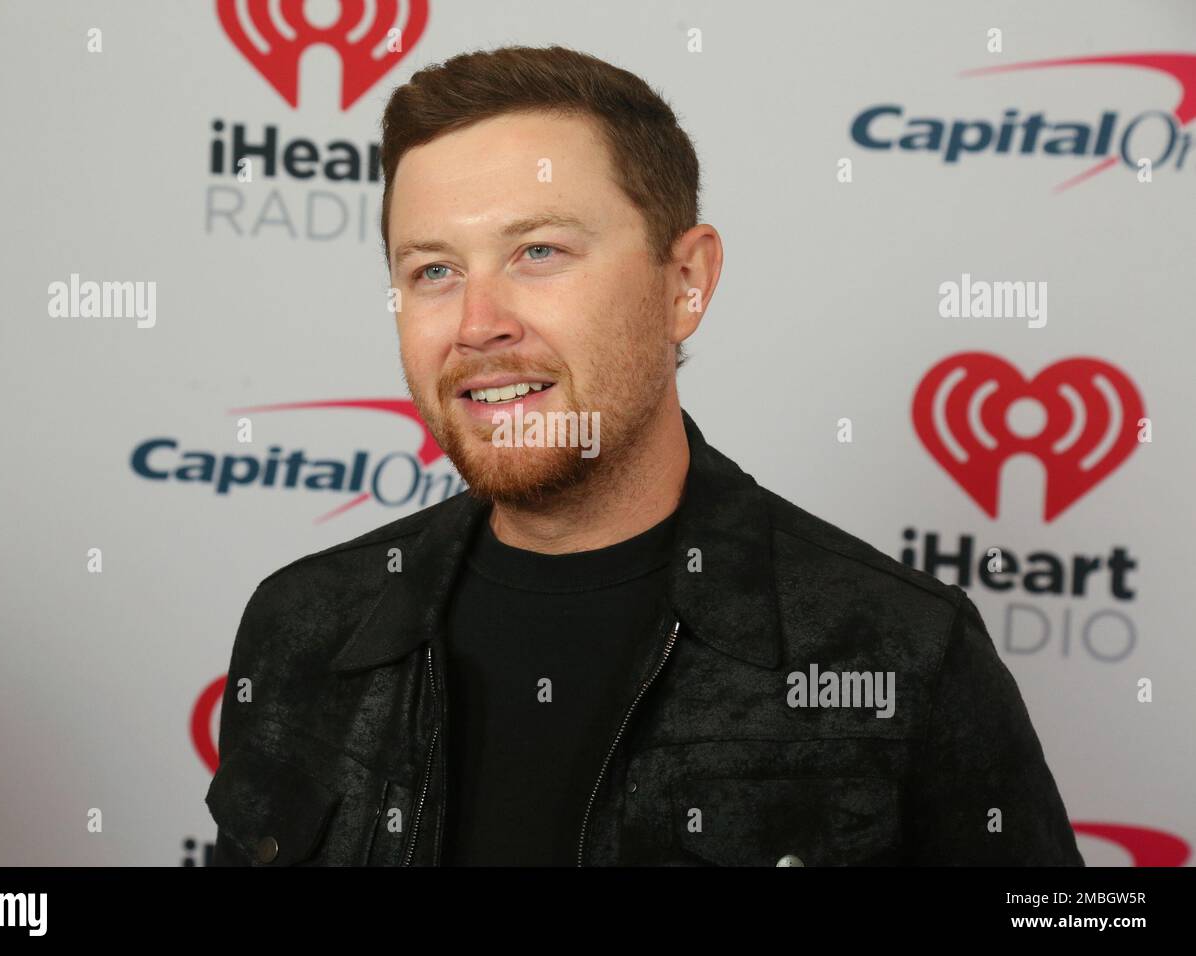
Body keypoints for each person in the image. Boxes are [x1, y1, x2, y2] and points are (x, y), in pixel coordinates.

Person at [206, 44, 1083, 866]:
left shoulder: (897, 653)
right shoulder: (304, 626)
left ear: (685, 284)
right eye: (433, 270)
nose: (478, 324)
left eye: (538, 252)